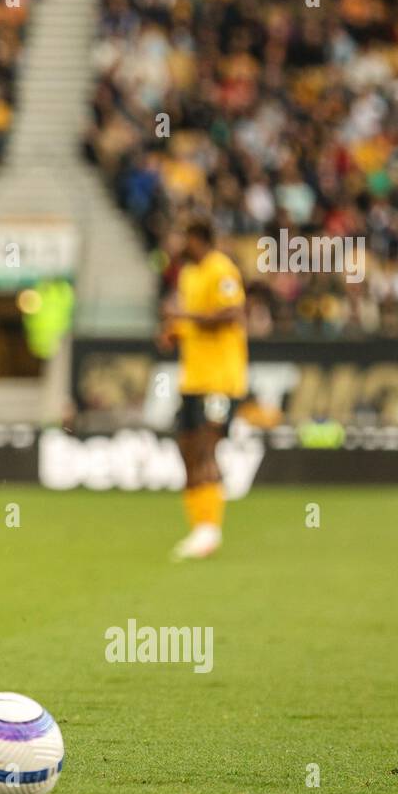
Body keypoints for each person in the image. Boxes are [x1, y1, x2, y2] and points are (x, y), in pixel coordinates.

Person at [158, 219, 247, 560]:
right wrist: (174, 331)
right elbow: (190, 321)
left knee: (207, 448)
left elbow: (233, 313)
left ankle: (210, 530)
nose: (178, 244)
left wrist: (185, 316)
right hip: (193, 379)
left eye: (183, 237)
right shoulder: (188, 274)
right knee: (187, 449)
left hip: (220, 380)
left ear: (197, 238)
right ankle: (199, 527)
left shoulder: (220, 269)